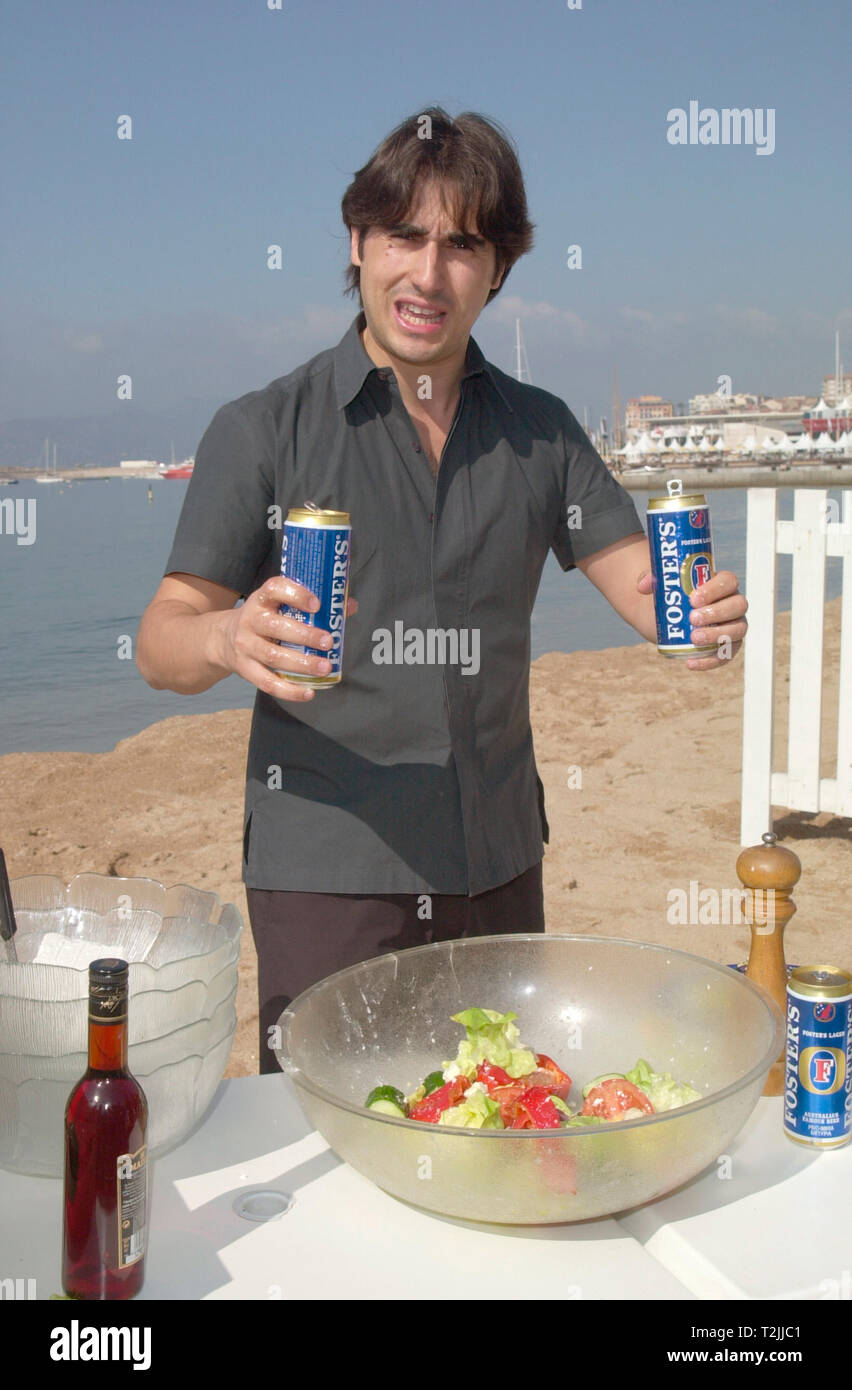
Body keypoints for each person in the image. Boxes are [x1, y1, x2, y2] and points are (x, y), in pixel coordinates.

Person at [137, 108, 748, 1071]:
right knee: (331, 1151)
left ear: (498, 269)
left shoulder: (542, 432)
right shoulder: (264, 429)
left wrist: (701, 620)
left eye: (462, 245)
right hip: (329, 880)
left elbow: (645, 584)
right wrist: (227, 640)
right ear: (358, 243)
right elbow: (159, 640)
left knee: (500, 1123)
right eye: (404, 236)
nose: (427, 274)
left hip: (498, 868)